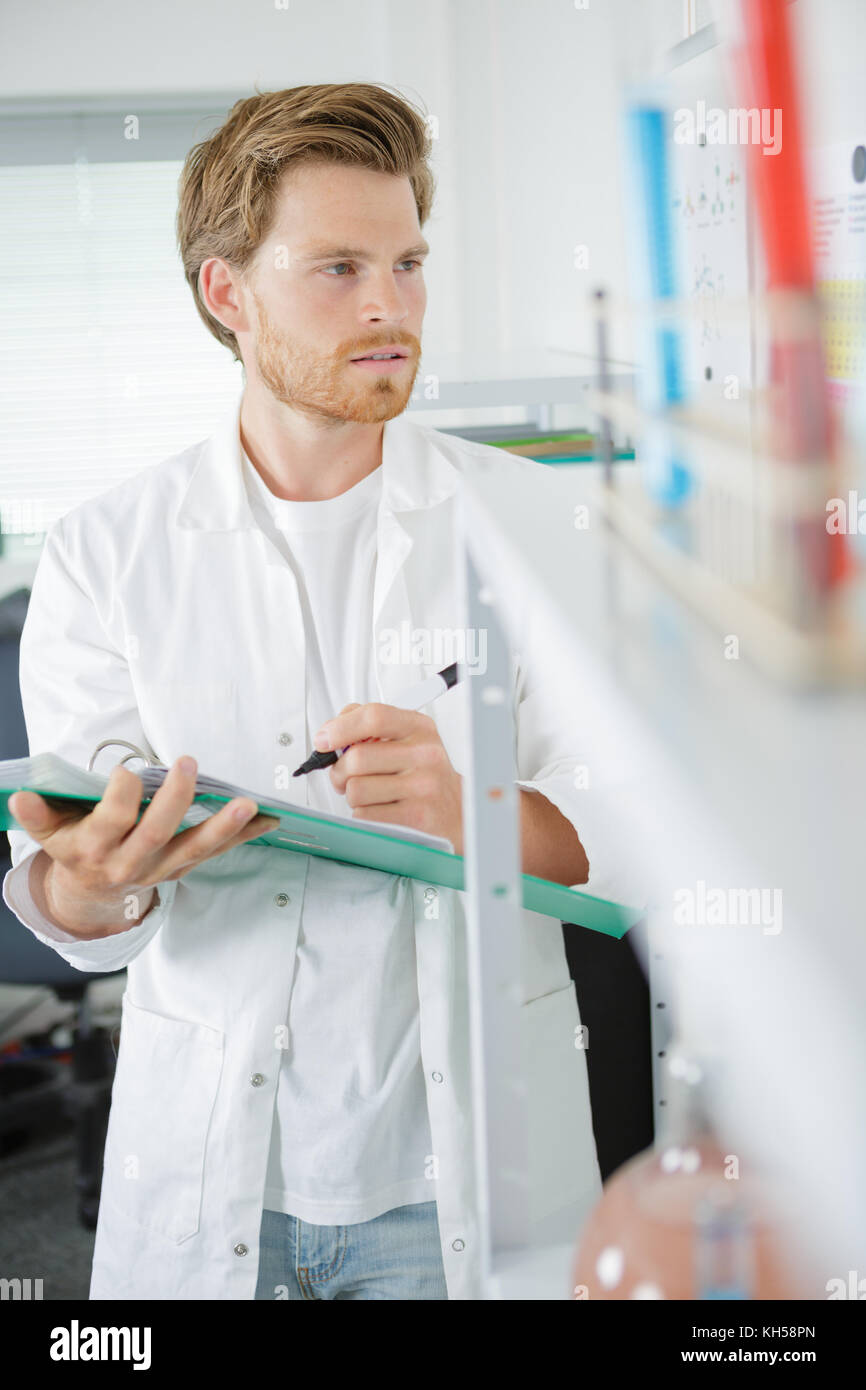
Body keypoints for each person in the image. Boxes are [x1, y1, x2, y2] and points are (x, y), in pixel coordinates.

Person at [2, 83, 605, 1300]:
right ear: (227, 292)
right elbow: (72, 879)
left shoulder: (536, 522)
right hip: (219, 1165)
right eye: (337, 267)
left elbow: (620, 825)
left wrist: (469, 803)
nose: (390, 304)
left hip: (463, 1172)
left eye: (407, 262)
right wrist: (87, 882)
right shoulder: (103, 551)